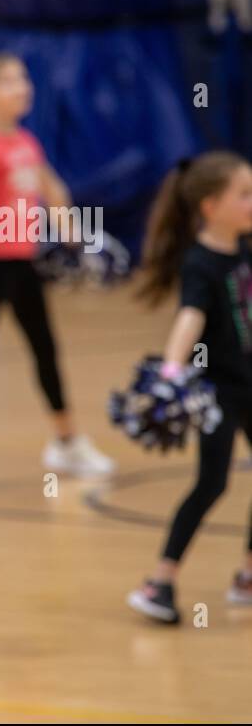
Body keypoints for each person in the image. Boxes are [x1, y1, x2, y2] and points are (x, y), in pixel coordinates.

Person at [0, 51, 114, 491]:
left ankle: (66, 441)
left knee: (45, 349)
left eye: (24, 80)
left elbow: (54, 191)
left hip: (23, 260)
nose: (23, 88)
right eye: (10, 81)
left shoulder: (23, 141)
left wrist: (80, 239)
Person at [127, 151, 252, 623]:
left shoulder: (244, 247)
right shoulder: (200, 263)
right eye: (244, 195)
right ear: (210, 206)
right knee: (211, 484)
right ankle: (160, 581)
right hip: (218, 392)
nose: (251, 202)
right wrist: (171, 374)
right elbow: (190, 318)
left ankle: (247, 575)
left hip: (250, 382)